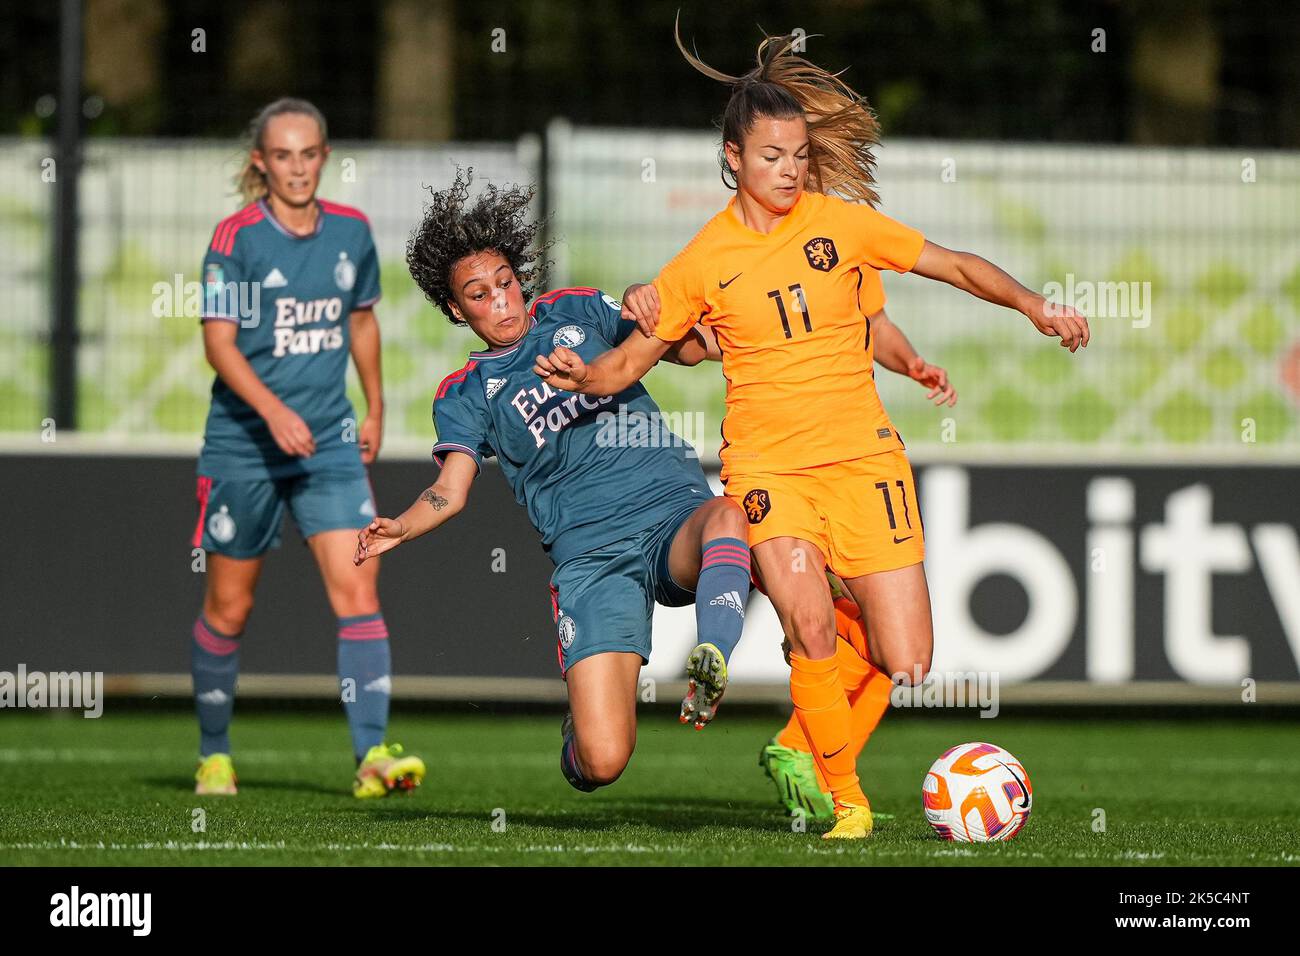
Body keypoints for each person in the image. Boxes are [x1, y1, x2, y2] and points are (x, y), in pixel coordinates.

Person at [534, 32, 1088, 838]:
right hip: (771, 472)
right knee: (810, 624)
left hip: (865, 460)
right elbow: (631, 364)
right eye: (771, 157)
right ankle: (847, 804)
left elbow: (957, 266)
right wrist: (586, 376)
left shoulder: (843, 225)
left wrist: (1037, 306)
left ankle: (803, 744)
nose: (789, 170)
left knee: (907, 661)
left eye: (797, 154)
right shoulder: (702, 261)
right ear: (734, 158)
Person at [354, 171, 752, 794]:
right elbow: (450, 491)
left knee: (730, 514)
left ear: (519, 277)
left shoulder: (575, 311)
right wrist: (402, 526)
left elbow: (689, 349)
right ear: (457, 309)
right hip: (590, 558)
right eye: (480, 294)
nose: (502, 301)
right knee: (602, 762)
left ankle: (716, 655)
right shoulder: (463, 395)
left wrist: (649, 302)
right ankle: (582, 733)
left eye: (506, 282)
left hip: (670, 514)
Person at [191, 97, 424, 798]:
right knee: (229, 608)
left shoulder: (352, 232)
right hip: (245, 447)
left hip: (329, 444)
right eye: (283, 155)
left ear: (325, 156)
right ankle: (213, 754)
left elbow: (361, 325)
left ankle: (372, 755)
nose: (297, 168)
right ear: (261, 163)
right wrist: (270, 410)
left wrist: (376, 407)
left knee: (360, 587)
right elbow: (218, 343)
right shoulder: (235, 240)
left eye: (309, 153)